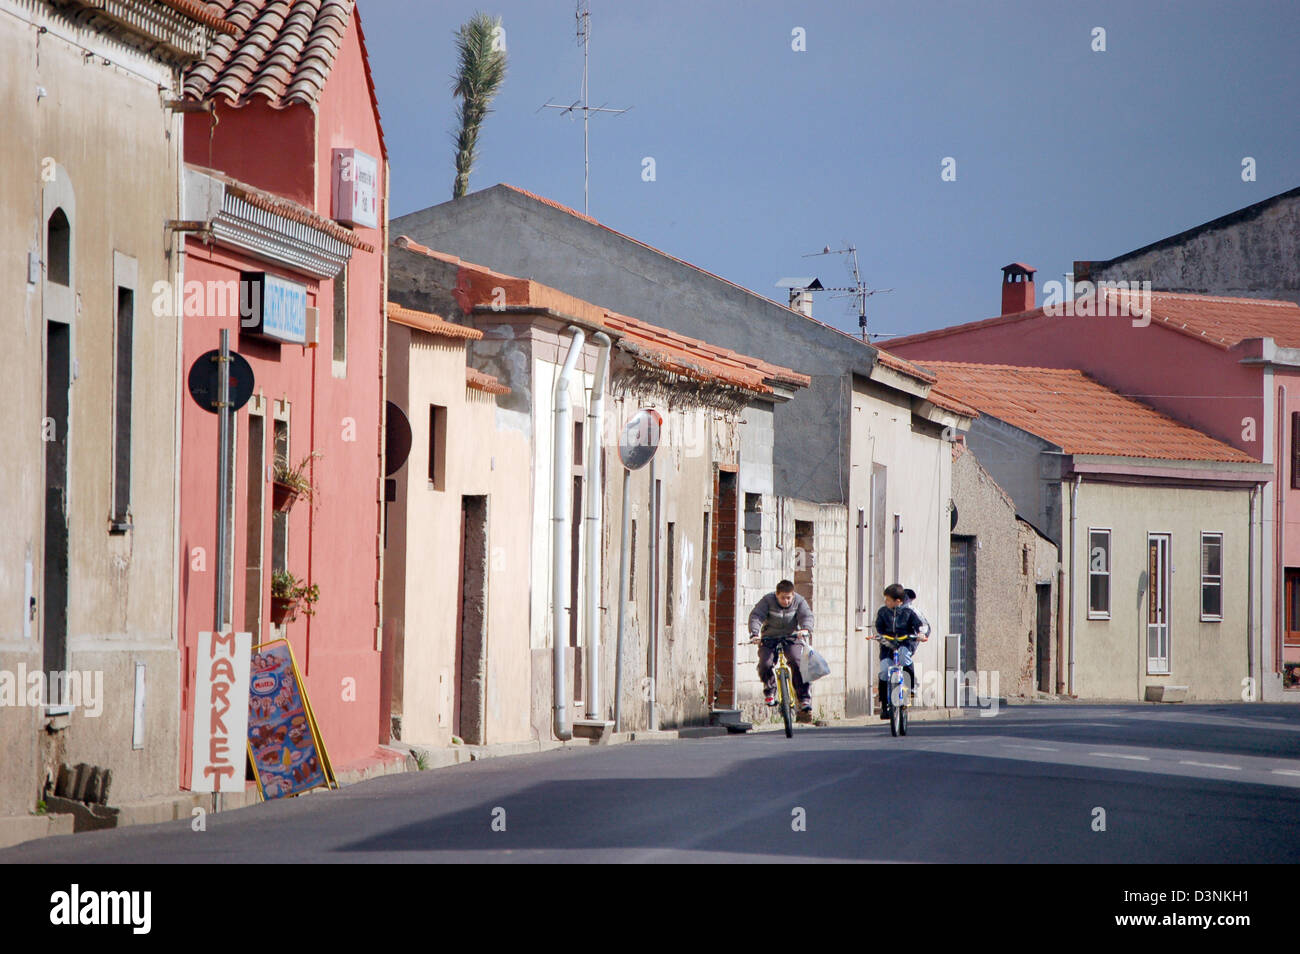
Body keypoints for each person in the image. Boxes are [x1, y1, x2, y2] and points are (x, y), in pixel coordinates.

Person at [747, 580, 814, 712]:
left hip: (792, 637)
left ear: (793, 595)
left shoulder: (799, 601)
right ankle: (770, 691)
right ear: (776, 595)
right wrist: (754, 634)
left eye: (789, 598)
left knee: (798, 662)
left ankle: (803, 698)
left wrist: (805, 629)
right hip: (769, 638)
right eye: (783, 598)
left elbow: (806, 616)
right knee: (765, 664)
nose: (786, 601)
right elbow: (756, 616)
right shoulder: (767, 601)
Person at [869, 583, 928, 720]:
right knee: (884, 670)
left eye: (888, 600)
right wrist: (879, 636)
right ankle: (884, 705)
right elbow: (877, 626)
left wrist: (921, 634)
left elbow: (923, 625)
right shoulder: (883, 611)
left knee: (903, 656)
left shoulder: (910, 611)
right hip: (887, 645)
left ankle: (911, 687)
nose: (885, 602)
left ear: (898, 601)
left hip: (906, 642)